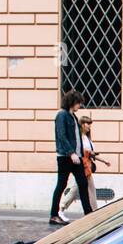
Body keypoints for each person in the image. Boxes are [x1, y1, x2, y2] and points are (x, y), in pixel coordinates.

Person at [50, 90, 91, 226]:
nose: (79, 105)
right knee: (61, 185)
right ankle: (54, 215)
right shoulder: (62, 115)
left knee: (83, 183)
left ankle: (88, 213)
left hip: (76, 157)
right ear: (72, 102)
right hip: (66, 156)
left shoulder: (72, 116)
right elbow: (61, 135)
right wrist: (71, 153)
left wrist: (78, 154)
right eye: (78, 103)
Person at [60, 113, 103, 215]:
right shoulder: (79, 138)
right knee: (77, 188)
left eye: (89, 124)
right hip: (82, 166)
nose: (89, 126)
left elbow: (91, 153)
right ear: (82, 124)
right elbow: (81, 151)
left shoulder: (87, 138)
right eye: (87, 123)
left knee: (88, 188)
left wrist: (103, 161)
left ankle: (94, 211)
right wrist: (89, 152)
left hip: (87, 166)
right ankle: (62, 207)